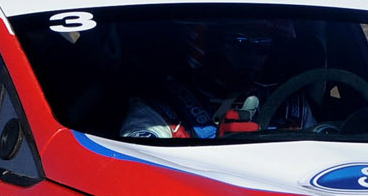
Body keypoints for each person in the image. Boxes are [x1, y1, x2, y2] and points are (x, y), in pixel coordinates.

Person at [120, 17, 316, 139]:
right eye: (240, 42)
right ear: (208, 44)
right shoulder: (158, 112)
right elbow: (142, 176)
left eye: (262, 45)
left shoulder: (292, 108)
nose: (252, 55)